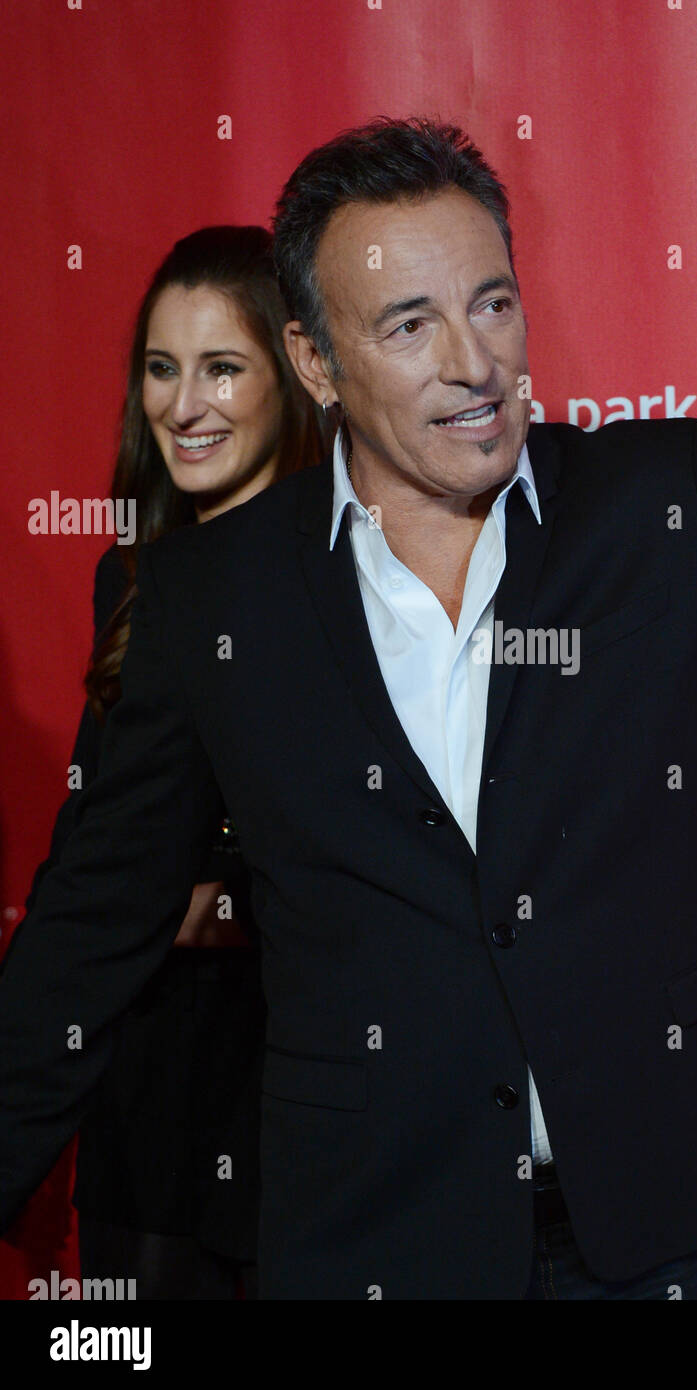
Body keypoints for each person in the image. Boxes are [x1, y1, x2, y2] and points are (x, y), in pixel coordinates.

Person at [0, 55, 697, 1299]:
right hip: (367, 1234)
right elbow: (84, 937)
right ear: (316, 363)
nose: (472, 361)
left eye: (492, 304)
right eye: (408, 324)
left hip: (644, 1223)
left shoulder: (660, 505)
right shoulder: (208, 602)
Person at [11, 225, 322, 1297]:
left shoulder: (350, 588)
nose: (183, 403)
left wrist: (207, 907)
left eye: (222, 367)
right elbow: (94, 866)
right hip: (144, 1086)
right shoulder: (136, 577)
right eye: (161, 367)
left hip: (293, 1095)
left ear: (294, 374)